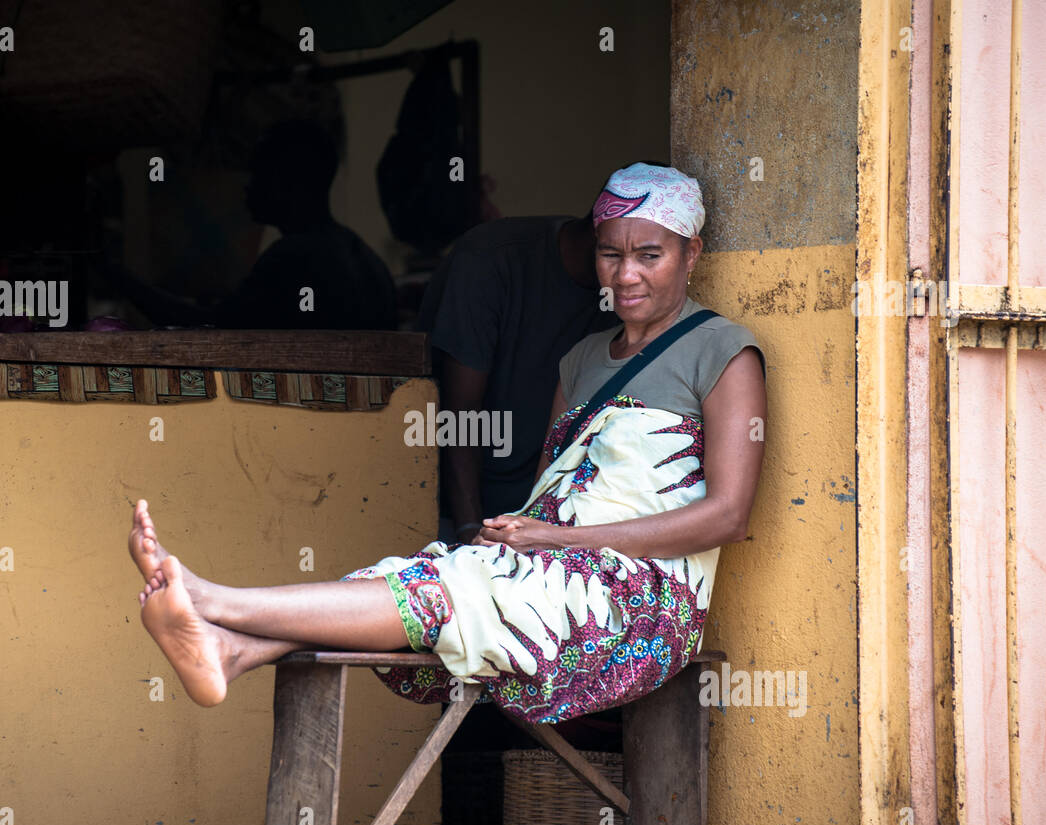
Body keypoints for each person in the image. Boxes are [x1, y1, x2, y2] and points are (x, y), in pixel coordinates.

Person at [127, 162, 767, 724]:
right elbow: (551, 494)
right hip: (558, 572)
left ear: (691, 254)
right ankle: (232, 650)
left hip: (641, 610)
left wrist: (556, 540)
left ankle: (215, 600)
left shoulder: (722, 352)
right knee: (410, 577)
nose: (625, 274)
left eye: (649, 255)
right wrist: (511, 534)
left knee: (444, 595)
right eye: (610, 254)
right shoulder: (579, 360)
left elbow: (729, 517)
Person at [419, 211, 614, 545]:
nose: (632, 273)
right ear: (599, 236)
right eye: (618, 253)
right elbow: (462, 412)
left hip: (553, 519)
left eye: (649, 256)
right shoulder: (491, 259)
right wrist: (469, 533)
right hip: (454, 508)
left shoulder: (629, 300)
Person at [100, 119, 398, 331]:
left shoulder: (294, 256)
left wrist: (112, 272)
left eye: (258, 174)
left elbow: (210, 327)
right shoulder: (362, 256)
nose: (248, 187)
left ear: (290, 182)